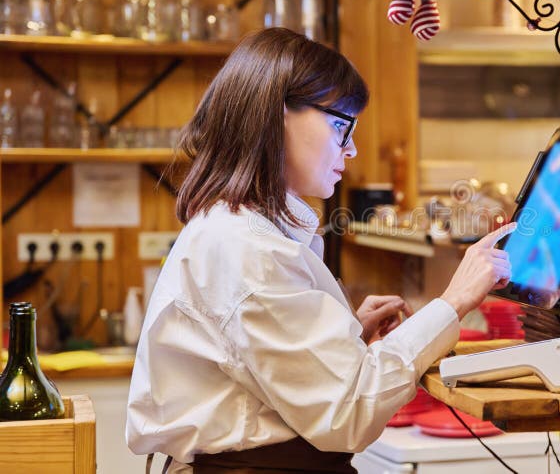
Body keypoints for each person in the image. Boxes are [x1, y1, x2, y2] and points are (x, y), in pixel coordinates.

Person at [126, 27, 515, 473]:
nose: (351, 149)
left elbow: (264, 371)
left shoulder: (240, 229)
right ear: (276, 115)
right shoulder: (248, 247)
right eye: (340, 125)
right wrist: (455, 301)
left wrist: (344, 335)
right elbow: (350, 410)